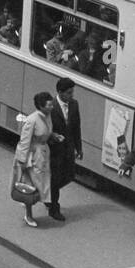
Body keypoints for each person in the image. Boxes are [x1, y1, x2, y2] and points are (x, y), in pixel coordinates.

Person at [14, 93, 56, 228]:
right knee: (30, 186)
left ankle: (31, 206)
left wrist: (54, 136)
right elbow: (24, 141)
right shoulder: (32, 120)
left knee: (40, 185)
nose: (52, 107)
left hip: (43, 154)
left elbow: (46, 132)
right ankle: (28, 214)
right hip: (33, 157)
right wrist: (22, 161)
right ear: (41, 106)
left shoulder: (47, 116)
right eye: (49, 105)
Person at [47, 77, 82, 223]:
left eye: (72, 92)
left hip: (68, 148)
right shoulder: (51, 106)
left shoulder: (74, 104)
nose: (71, 95)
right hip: (54, 149)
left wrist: (79, 148)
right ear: (60, 92)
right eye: (68, 93)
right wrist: (52, 137)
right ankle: (54, 208)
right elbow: (44, 128)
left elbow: (76, 127)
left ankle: (47, 193)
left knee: (70, 176)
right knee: (55, 179)